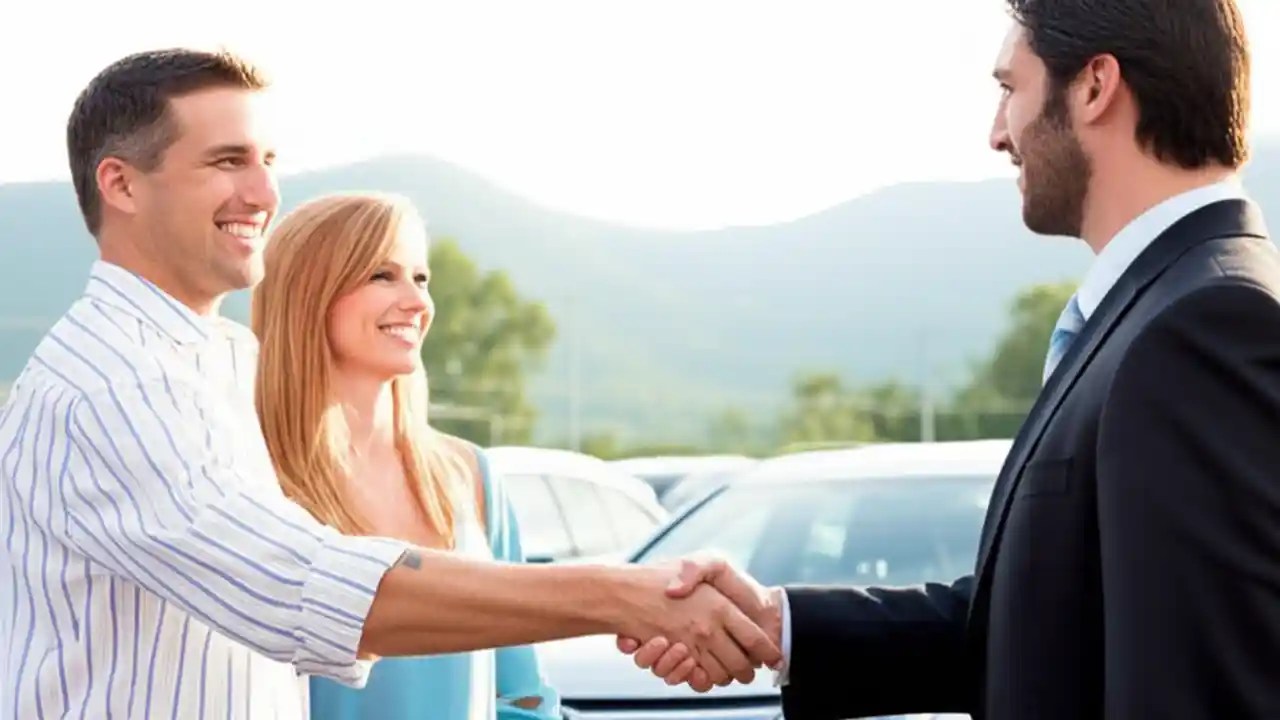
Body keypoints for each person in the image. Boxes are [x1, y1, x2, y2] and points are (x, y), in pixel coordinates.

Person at [0, 48, 779, 719]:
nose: (266, 195)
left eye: (268, 163)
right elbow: (303, 587)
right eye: (226, 161)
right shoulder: (117, 389)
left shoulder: (211, 366)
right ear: (122, 185)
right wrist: (624, 594)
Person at [623, 0, 1280, 718]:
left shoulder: (1204, 325)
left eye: (1009, 88)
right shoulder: (1159, 309)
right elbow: (1040, 631)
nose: (998, 133)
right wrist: (782, 625)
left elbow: (1204, 688)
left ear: (1095, 86)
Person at [249, 190, 561, 720]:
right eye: (381, 276)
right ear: (308, 293)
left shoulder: (471, 476)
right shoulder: (254, 476)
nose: (417, 303)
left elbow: (522, 693)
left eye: (420, 278)